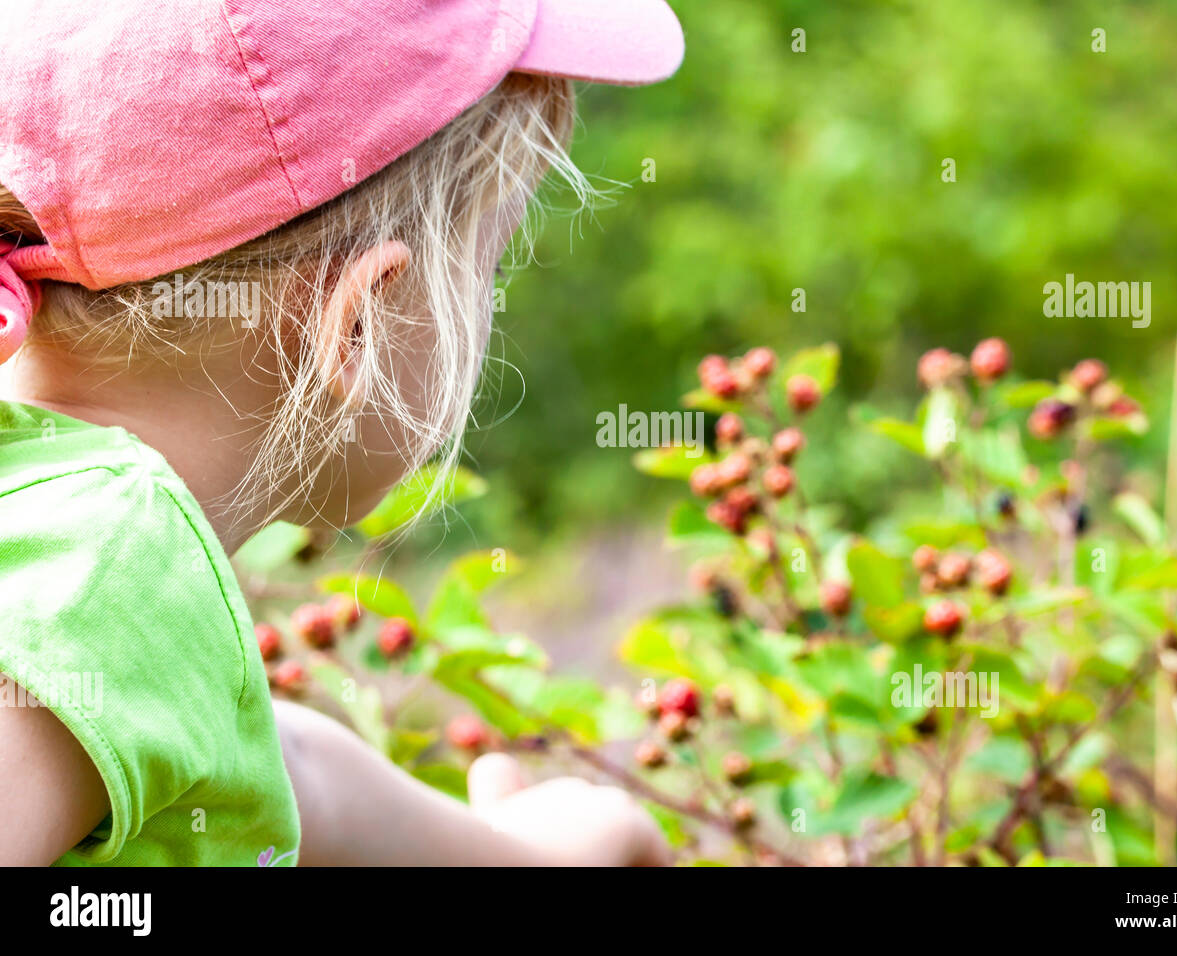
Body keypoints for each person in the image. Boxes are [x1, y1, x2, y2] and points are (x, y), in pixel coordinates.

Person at [0, 0, 683, 866]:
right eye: (491, 264)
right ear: (358, 324)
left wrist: (533, 857)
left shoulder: (90, 569)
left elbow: (274, 771)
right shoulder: (113, 561)